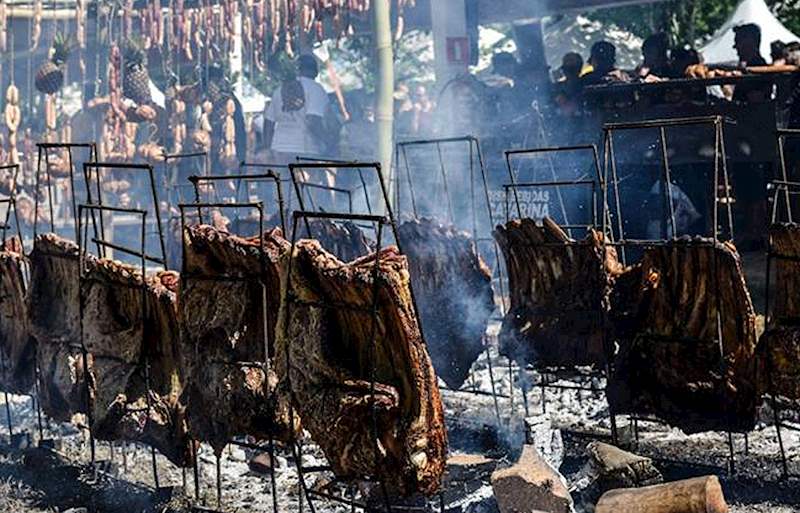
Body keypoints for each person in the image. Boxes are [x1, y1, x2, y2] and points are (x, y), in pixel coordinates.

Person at [264, 54, 329, 162]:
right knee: (308, 179)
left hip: (279, 149)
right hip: (305, 151)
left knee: (282, 179)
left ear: (298, 69)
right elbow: (313, 121)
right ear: (316, 71)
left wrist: (268, 148)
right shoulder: (316, 89)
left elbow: (268, 122)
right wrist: (328, 142)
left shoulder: (280, 89)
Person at [732, 23, 770, 103]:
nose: (735, 47)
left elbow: (756, 99)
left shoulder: (759, 67)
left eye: (738, 41)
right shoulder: (748, 66)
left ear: (749, 42)